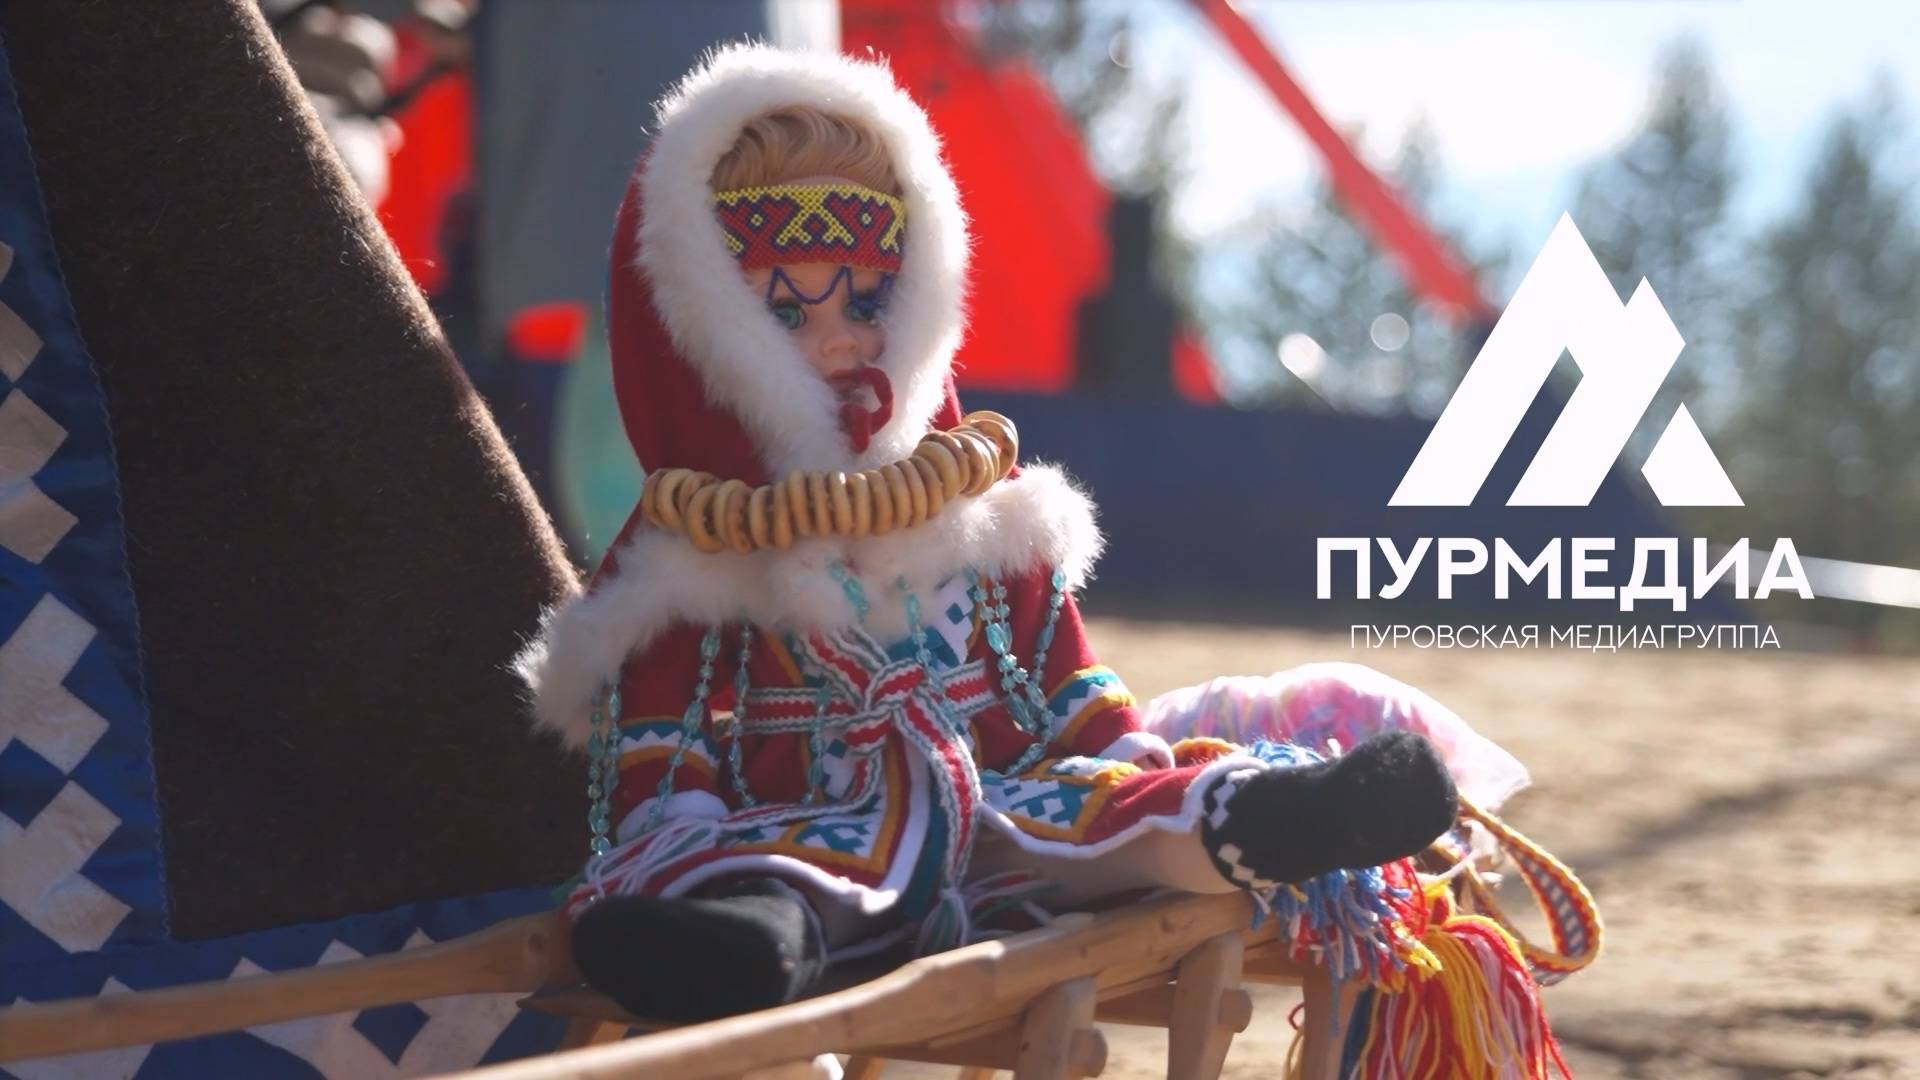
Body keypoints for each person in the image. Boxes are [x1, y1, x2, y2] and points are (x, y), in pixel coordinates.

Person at [515, 43, 1457, 1022]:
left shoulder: (976, 508)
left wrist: (1125, 755)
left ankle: (1283, 818)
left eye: (868, 300)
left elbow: (1066, 679)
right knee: (779, 878)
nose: (841, 337)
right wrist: (678, 834)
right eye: (786, 310)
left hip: (1001, 803)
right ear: (707, 337)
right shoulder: (695, 559)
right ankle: (743, 940)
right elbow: (665, 754)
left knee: (1125, 817)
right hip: (804, 825)